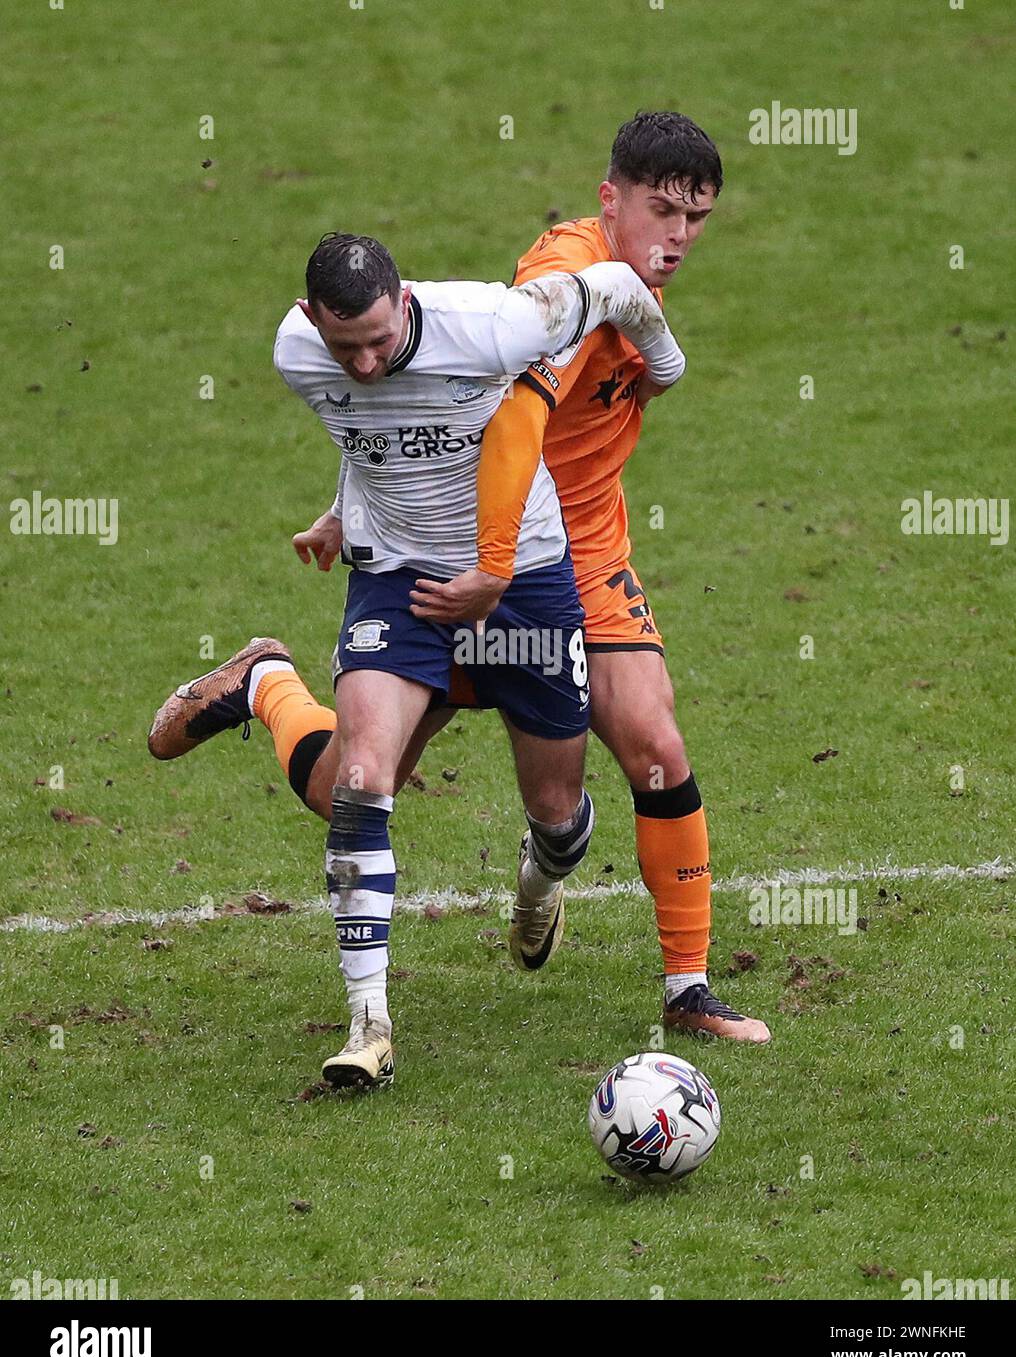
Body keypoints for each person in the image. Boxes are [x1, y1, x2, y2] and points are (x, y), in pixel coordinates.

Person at [149, 231, 686, 1089]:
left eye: (377, 341)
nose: (362, 363)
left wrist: (665, 363)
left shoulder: (500, 324)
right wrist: (341, 510)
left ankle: (538, 877)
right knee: (360, 783)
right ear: (308, 320)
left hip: (524, 581)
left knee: (559, 815)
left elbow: (619, 283)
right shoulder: (299, 353)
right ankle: (369, 1025)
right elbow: (364, 427)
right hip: (398, 581)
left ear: (404, 305)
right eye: (342, 345)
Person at [410, 112, 771, 1044]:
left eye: (697, 219)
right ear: (610, 199)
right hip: (490, 548)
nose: (681, 239)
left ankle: (688, 990)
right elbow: (510, 418)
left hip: (591, 551)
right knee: (356, 783)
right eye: (663, 213)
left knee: (655, 747)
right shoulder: (561, 282)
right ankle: (263, 686)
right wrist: (492, 566)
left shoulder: (639, 276)